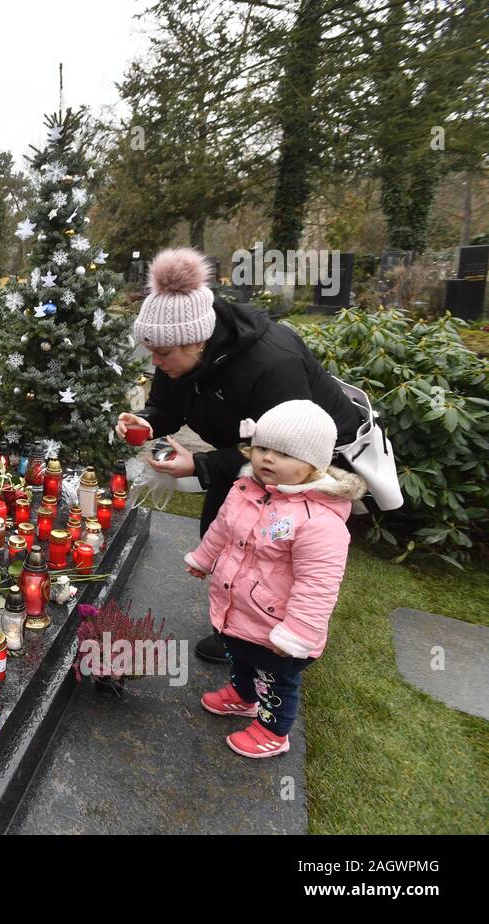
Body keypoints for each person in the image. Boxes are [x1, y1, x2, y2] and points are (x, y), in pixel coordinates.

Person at [115, 246, 359, 663]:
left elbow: (279, 455)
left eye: (163, 354)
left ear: (197, 341)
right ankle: (236, 628)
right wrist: (147, 422)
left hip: (305, 462)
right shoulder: (180, 352)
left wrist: (203, 465)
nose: (155, 362)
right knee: (223, 527)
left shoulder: (270, 363)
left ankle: (279, 640)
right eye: (151, 351)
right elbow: (167, 405)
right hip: (252, 451)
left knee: (273, 551)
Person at [183, 401, 365, 757]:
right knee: (241, 657)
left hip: (278, 626)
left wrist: (297, 634)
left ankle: (273, 730)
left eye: (283, 453)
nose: (267, 458)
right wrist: (204, 558)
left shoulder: (319, 520)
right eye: (262, 447)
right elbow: (223, 528)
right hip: (240, 612)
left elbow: (318, 585)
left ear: (313, 464)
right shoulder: (246, 490)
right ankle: (243, 696)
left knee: (275, 679)